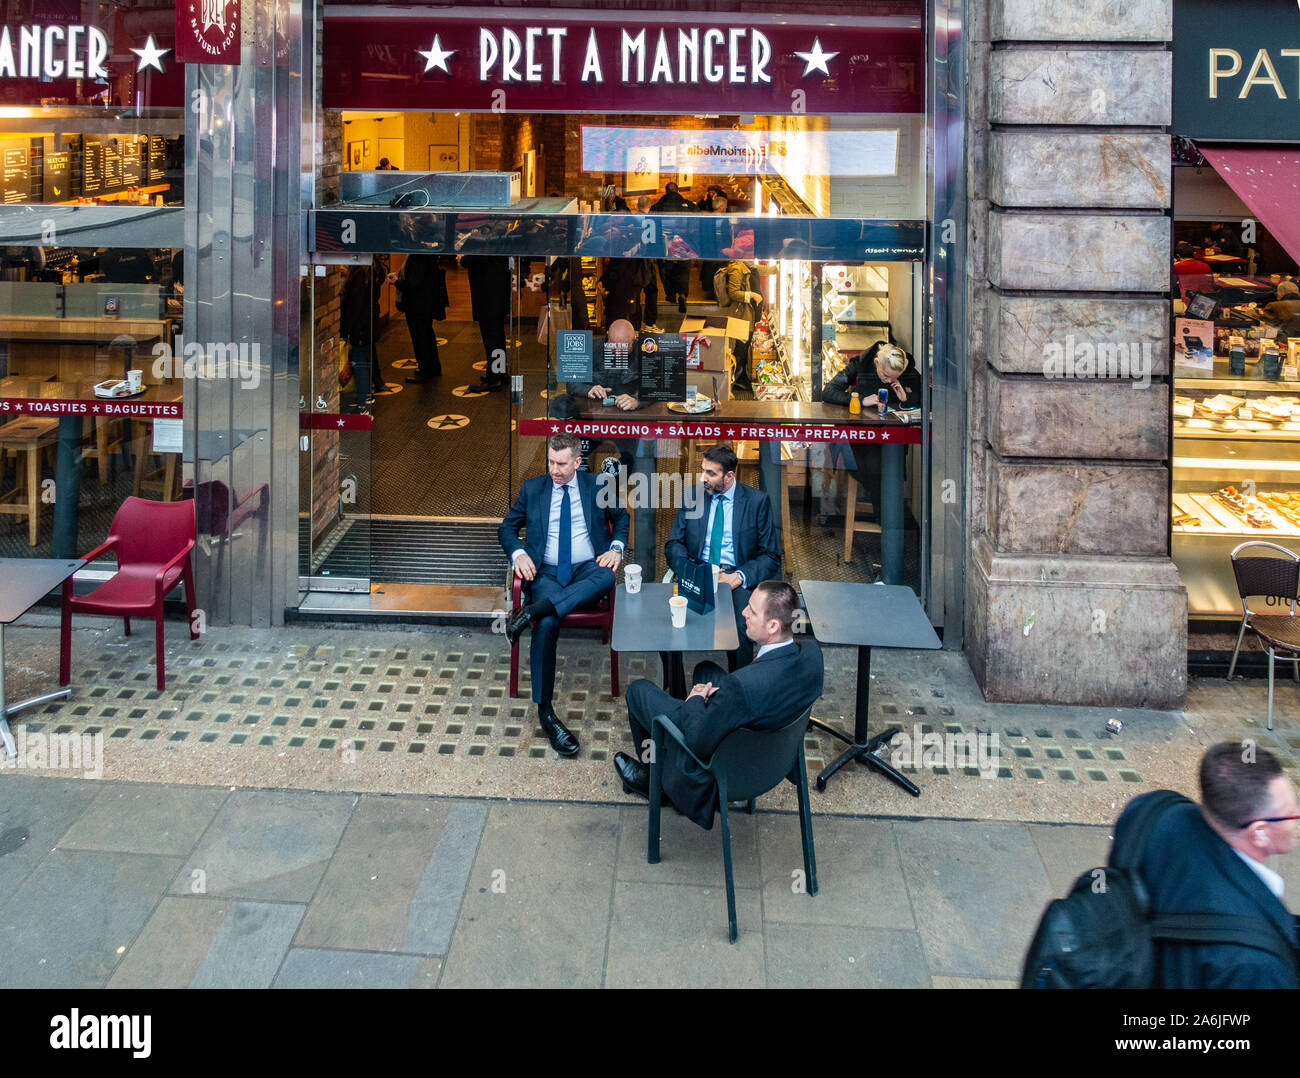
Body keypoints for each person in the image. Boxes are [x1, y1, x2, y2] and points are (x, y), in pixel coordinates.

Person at [615, 580, 823, 829]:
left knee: (639, 691)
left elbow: (696, 741)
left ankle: (658, 782)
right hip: (776, 758)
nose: (744, 612)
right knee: (705, 670)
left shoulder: (741, 687)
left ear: (773, 626)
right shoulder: (812, 655)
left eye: (752, 611)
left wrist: (694, 702)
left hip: (732, 769)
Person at [1111, 742, 1300, 988]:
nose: (1297, 815)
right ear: (1259, 834)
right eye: (1292, 813)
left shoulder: (1150, 810)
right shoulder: (1255, 965)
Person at [500, 433, 629, 757]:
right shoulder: (533, 489)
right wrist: (517, 554)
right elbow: (506, 528)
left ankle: (531, 611)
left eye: (561, 464)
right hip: (547, 573)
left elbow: (622, 517)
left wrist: (616, 547)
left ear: (576, 462)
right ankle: (546, 713)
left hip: (588, 567)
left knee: (606, 577)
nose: (555, 470)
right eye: (551, 462)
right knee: (546, 626)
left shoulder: (598, 484)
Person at [665, 443, 780, 670]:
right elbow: (673, 544)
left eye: (711, 473)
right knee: (667, 620)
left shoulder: (756, 502)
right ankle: (675, 687)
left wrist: (738, 576)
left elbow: (771, 556)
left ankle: (739, 687)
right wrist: (692, 569)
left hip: (734, 579)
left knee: (740, 626)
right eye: (702, 470)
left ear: (729, 476)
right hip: (698, 572)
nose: (702, 479)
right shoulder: (693, 496)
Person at [824, 342, 922, 526]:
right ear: (876, 362)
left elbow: (928, 395)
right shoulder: (860, 365)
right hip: (862, 436)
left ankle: (887, 517)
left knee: (889, 467)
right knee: (877, 468)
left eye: (894, 378)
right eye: (885, 375)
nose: (887, 380)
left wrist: (906, 397)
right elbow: (829, 392)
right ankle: (886, 518)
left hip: (891, 436)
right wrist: (861, 400)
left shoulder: (903, 366)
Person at [395, 254, 449, 383]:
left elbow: (413, 283)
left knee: (420, 337)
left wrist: (396, 282)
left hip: (417, 304)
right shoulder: (428, 254)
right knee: (427, 334)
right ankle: (433, 367)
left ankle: (426, 370)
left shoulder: (417, 256)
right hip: (426, 303)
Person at [462, 254, 511, 391]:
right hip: (497, 296)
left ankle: (494, 378)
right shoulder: (498, 237)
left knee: (492, 340)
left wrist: (462, 257)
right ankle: (500, 372)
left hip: (488, 297)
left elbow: (471, 260)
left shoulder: (486, 241)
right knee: (498, 338)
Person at [340, 261, 382, 410]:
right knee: (365, 358)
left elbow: (354, 308)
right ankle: (368, 394)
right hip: (370, 324)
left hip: (361, 327)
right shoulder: (371, 271)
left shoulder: (359, 276)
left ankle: (363, 399)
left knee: (359, 363)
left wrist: (344, 331)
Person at [652, 183, 696, 314]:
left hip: (664, 244)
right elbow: (696, 225)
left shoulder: (657, 206)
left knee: (666, 271)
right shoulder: (689, 205)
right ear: (677, 190)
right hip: (683, 243)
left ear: (666, 192)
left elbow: (652, 225)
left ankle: (670, 295)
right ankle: (682, 293)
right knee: (683, 270)